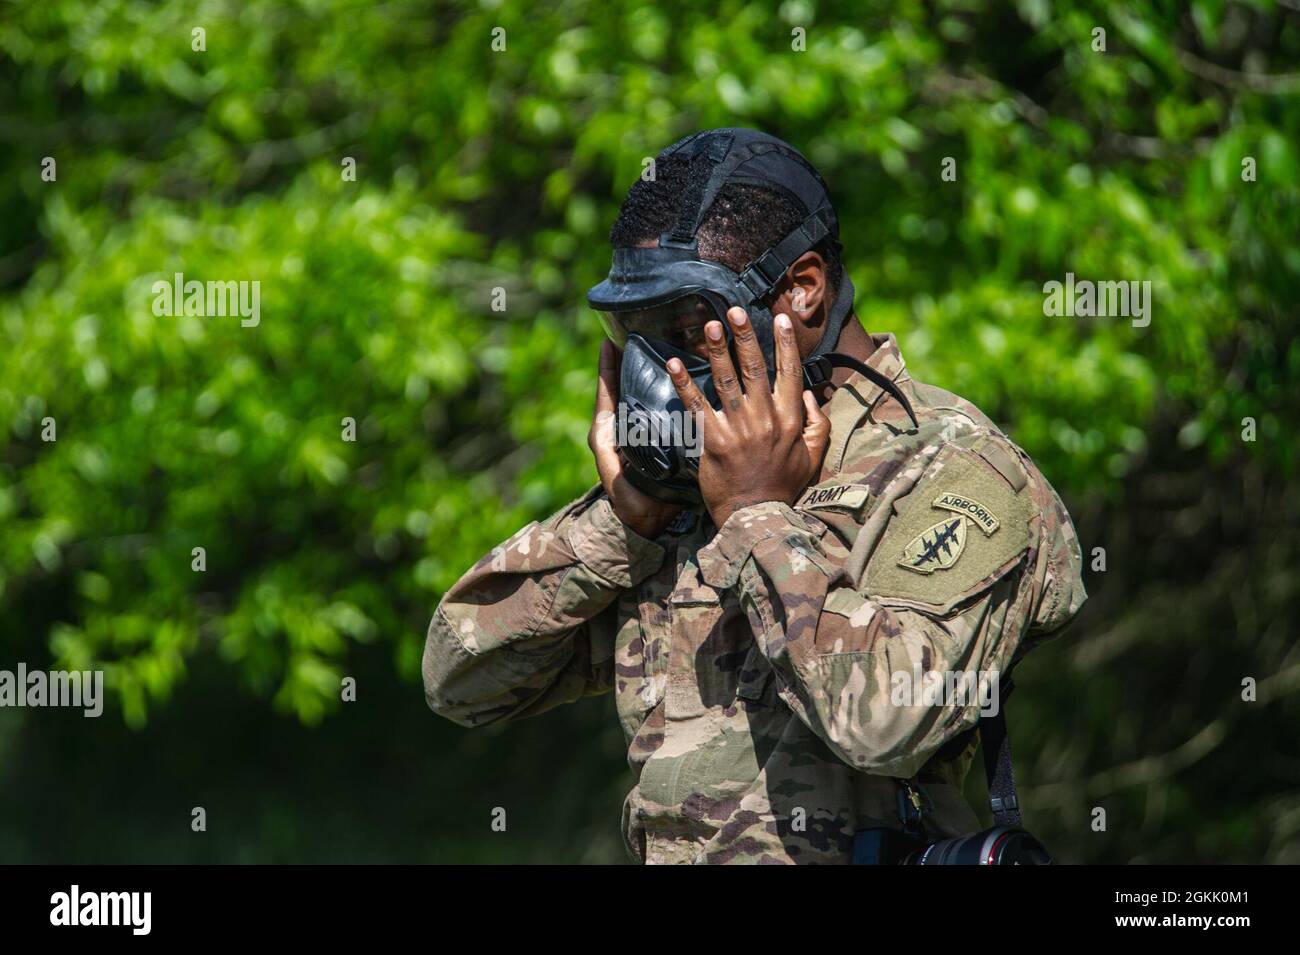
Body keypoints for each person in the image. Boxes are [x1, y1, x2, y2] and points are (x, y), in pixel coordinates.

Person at [423, 128, 1087, 864]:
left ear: (802, 289)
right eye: (634, 333)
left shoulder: (952, 469)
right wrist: (625, 522)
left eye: (685, 326)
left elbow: (888, 723)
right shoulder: (681, 487)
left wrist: (756, 517)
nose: (661, 369)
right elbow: (462, 679)